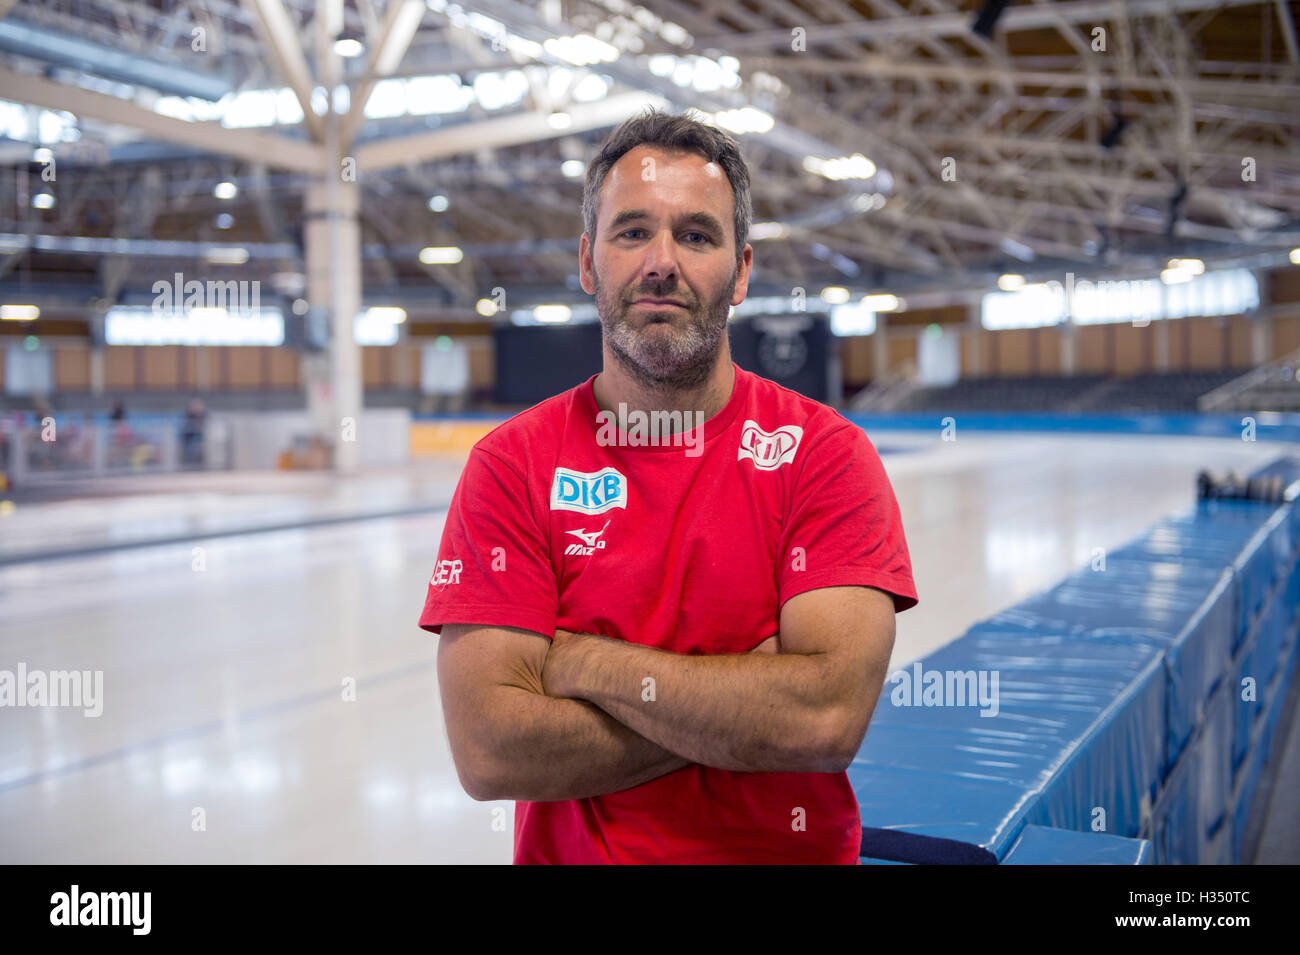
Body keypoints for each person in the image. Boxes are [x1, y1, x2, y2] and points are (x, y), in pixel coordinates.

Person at [419, 109, 918, 864]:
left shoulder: (824, 456)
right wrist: (745, 699)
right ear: (589, 262)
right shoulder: (512, 465)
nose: (661, 261)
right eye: (631, 232)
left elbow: (822, 721)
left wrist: (581, 663)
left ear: (742, 270)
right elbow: (491, 750)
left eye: (695, 234)